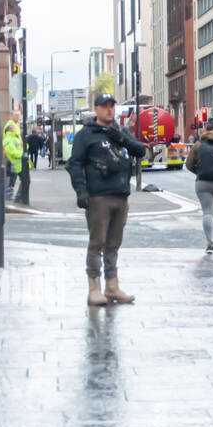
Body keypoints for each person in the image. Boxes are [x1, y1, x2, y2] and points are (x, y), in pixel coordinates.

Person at [67, 93, 147, 306]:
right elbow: (74, 164)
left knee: (113, 244)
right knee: (97, 243)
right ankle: (94, 288)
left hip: (120, 195)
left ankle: (112, 286)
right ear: (96, 109)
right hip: (98, 197)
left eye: (112, 106)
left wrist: (123, 138)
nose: (109, 110)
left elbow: (140, 151)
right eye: (105, 106)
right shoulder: (86, 135)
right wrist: (81, 191)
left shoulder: (119, 131)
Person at [2, 119, 23, 201]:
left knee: (13, 178)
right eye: (13, 127)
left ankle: (14, 197)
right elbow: (12, 152)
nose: (14, 129)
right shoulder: (8, 138)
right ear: (9, 129)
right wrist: (22, 154)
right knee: (11, 178)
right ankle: (10, 197)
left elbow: (22, 147)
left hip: (16, 162)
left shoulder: (15, 137)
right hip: (12, 161)